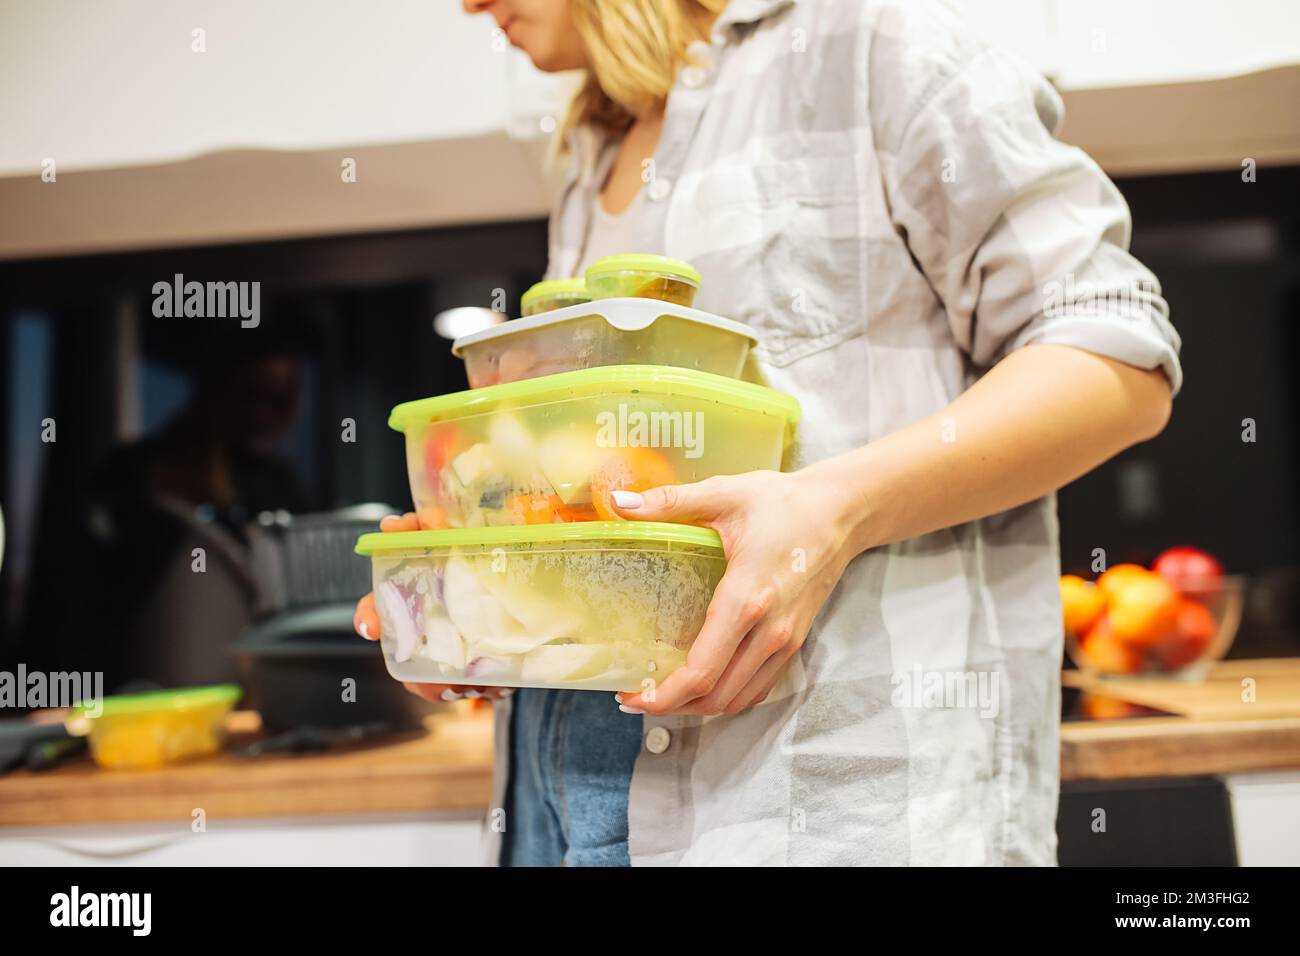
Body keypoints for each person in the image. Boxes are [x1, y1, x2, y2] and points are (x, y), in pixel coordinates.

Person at [355, 0, 1181, 866]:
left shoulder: (877, 49)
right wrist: (485, 580)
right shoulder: (590, 149)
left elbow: (1118, 359)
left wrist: (833, 512)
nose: (468, 5)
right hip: (559, 798)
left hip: (825, 816)